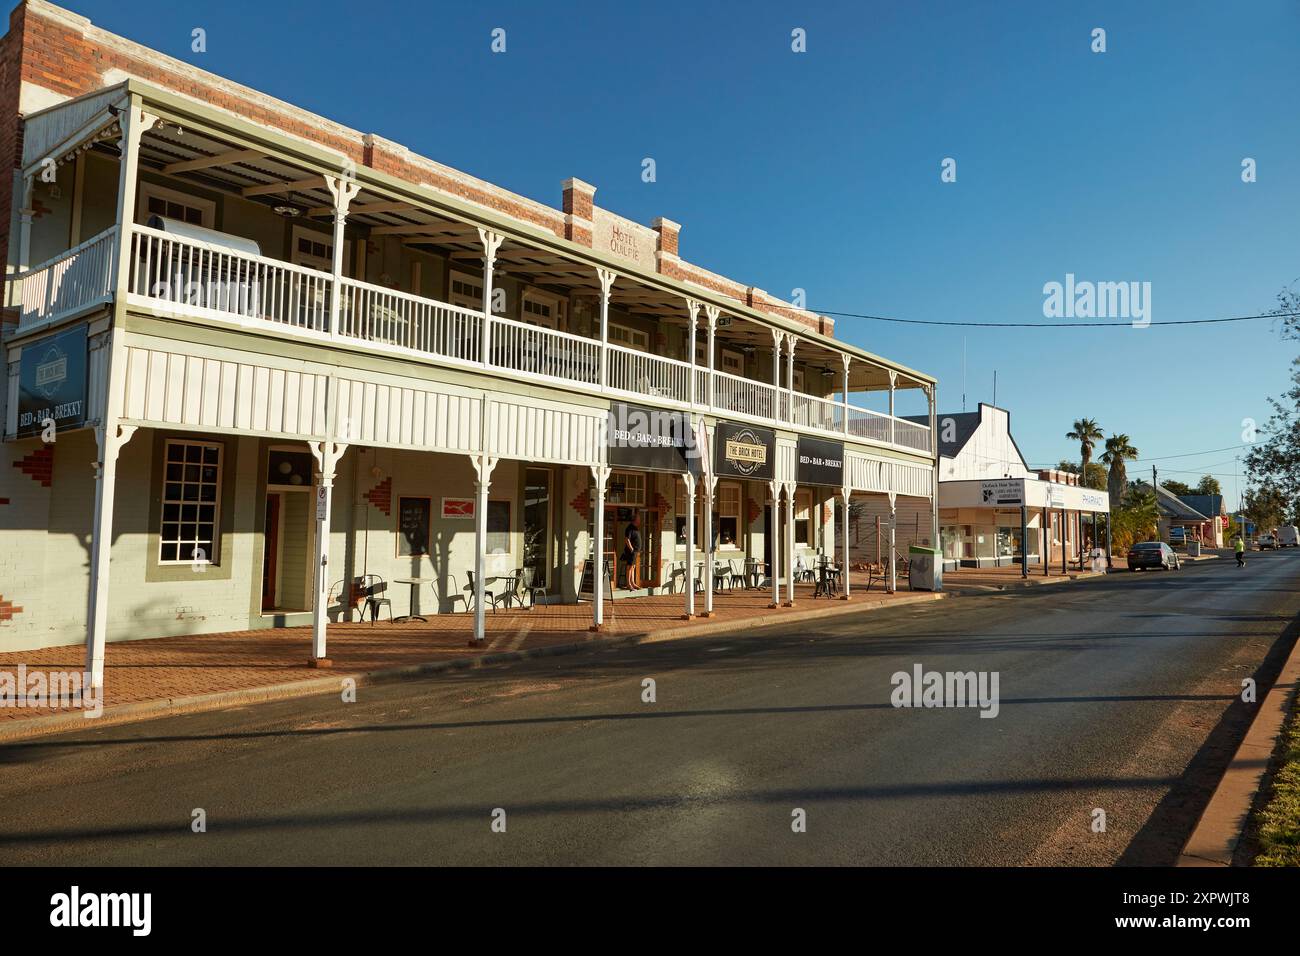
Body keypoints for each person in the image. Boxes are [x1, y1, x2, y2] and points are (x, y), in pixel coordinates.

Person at [624, 514, 643, 591]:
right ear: (635, 520)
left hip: (636, 551)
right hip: (631, 551)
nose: (640, 520)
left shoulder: (636, 528)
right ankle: (628, 584)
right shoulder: (629, 528)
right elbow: (627, 539)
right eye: (639, 519)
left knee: (633, 567)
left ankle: (633, 583)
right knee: (629, 567)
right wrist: (631, 549)